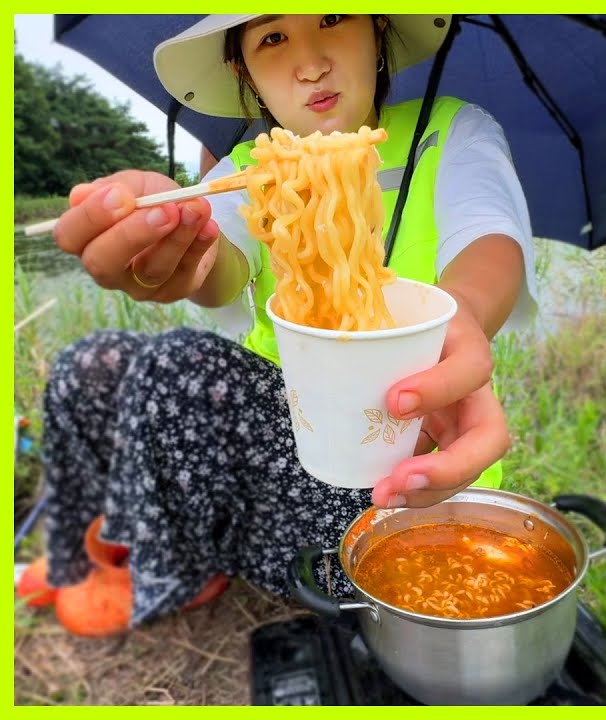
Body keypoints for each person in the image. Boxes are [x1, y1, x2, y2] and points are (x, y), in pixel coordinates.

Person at [35, 14, 538, 633]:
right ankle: (101, 561)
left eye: (334, 17)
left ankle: (185, 564)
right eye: (273, 38)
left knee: (175, 366)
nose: (310, 62)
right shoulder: (254, 166)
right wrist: (179, 245)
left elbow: (488, 238)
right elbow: (221, 259)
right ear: (243, 72)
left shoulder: (451, 129)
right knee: (90, 365)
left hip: (402, 465)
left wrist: (461, 313)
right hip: (286, 443)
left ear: (378, 31)